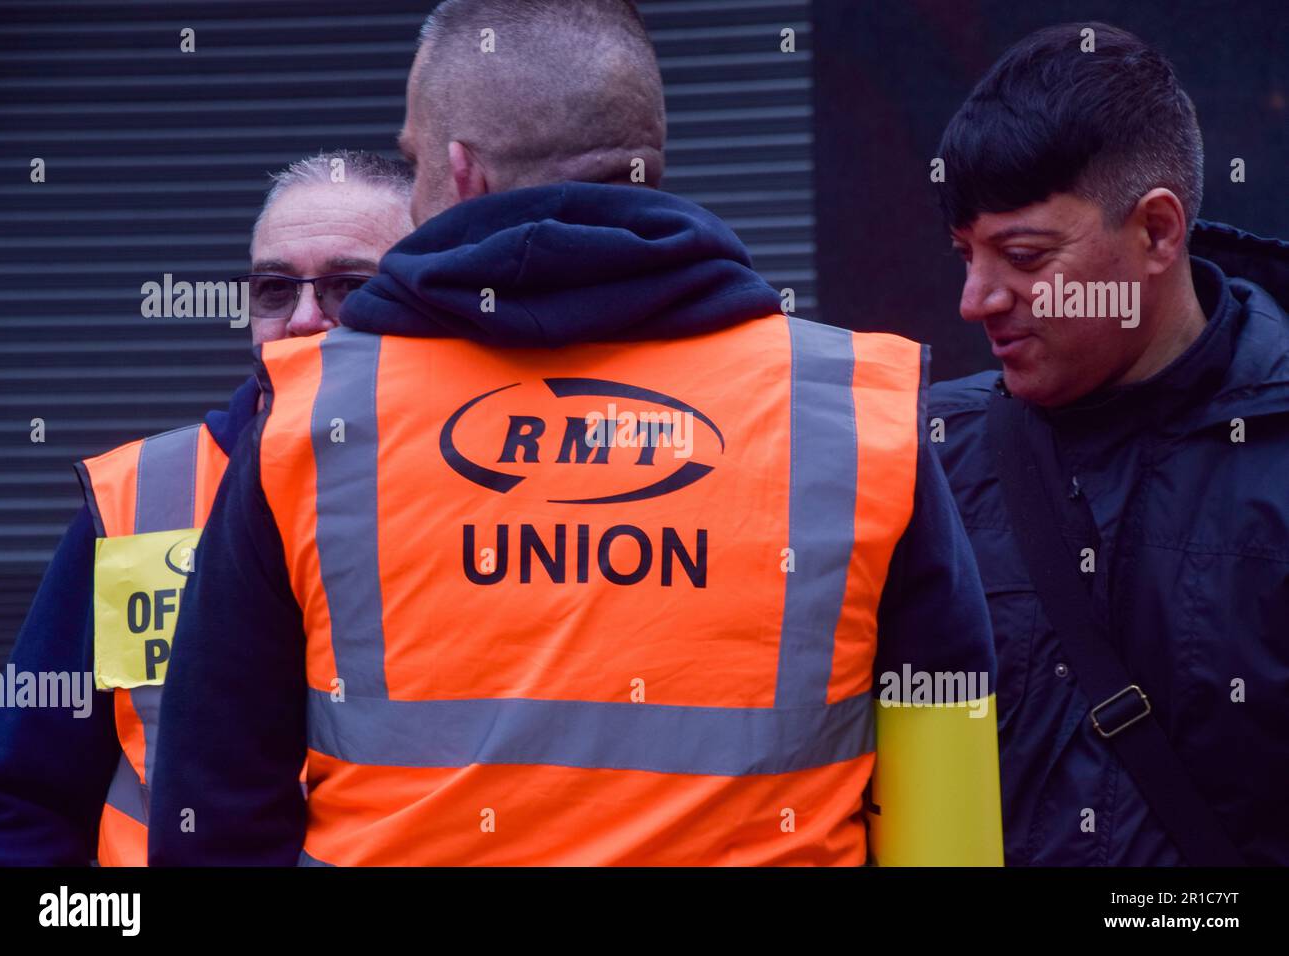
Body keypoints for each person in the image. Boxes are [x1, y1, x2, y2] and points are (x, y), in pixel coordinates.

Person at [150, 0, 1000, 867]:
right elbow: (946, 812)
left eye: (411, 163)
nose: (411, 194)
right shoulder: (851, 410)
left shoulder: (312, 416)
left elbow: (215, 805)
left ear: (461, 172)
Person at [928, 22, 1289, 865]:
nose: (976, 299)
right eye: (963, 255)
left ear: (1158, 233)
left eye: (1021, 255)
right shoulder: (927, 454)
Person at [0, 150, 414, 865]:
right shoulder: (139, 499)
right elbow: (20, 801)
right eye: (275, 289)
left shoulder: (485, 487)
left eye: (349, 287)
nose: (306, 319)